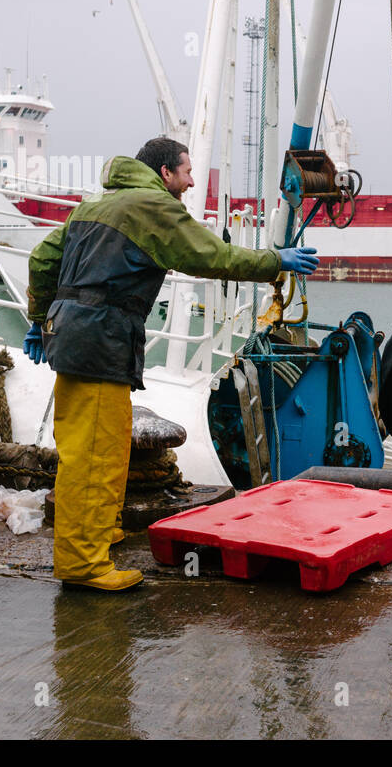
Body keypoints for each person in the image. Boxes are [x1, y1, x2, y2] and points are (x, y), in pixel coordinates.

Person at [24, 137, 319, 592]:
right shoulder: (153, 207)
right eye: (186, 171)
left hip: (73, 339)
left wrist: (39, 318)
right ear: (165, 173)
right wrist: (273, 261)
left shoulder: (94, 206)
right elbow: (210, 256)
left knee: (98, 446)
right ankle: (83, 565)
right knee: (95, 457)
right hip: (101, 343)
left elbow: (43, 259)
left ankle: (97, 536)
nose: (191, 180)